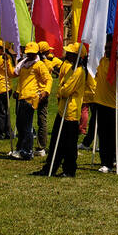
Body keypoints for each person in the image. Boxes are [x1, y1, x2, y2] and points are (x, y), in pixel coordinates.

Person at [38, 43, 87, 177]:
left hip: (71, 112)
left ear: (78, 56)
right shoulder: (71, 68)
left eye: (71, 53)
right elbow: (63, 87)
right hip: (62, 110)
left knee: (69, 145)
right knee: (56, 141)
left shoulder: (79, 71)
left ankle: (69, 170)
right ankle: (50, 167)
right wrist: (62, 89)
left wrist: (61, 90)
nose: (67, 54)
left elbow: (66, 90)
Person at [92, 39, 118, 174]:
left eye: (110, 48)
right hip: (101, 103)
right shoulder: (102, 61)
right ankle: (106, 163)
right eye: (106, 48)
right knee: (104, 136)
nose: (107, 50)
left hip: (116, 105)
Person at [9, 43, 51, 161]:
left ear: (36, 53)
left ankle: (27, 151)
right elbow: (18, 77)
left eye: (32, 53)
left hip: (31, 98)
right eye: (28, 53)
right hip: (22, 97)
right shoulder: (24, 64)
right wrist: (7, 61)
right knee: (20, 125)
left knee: (27, 127)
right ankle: (21, 148)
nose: (30, 55)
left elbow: (48, 79)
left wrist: (45, 91)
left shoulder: (39, 65)